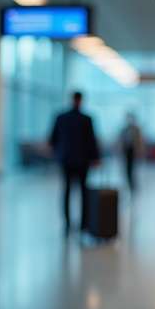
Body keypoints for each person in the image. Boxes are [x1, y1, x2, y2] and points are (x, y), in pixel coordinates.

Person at [49, 92, 101, 232]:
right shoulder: (86, 119)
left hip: (66, 160)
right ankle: (83, 223)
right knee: (82, 191)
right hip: (82, 161)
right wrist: (96, 158)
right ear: (81, 100)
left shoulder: (61, 118)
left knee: (67, 191)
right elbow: (92, 142)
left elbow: (52, 139)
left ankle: (67, 223)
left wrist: (59, 153)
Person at [119, 113, 143, 192]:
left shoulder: (136, 129)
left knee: (133, 169)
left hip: (133, 151)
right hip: (127, 151)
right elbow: (121, 140)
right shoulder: (124, 129)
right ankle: (129, 184)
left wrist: (140, 151)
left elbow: (140, 141)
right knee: (127, 169)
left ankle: (133, 185)